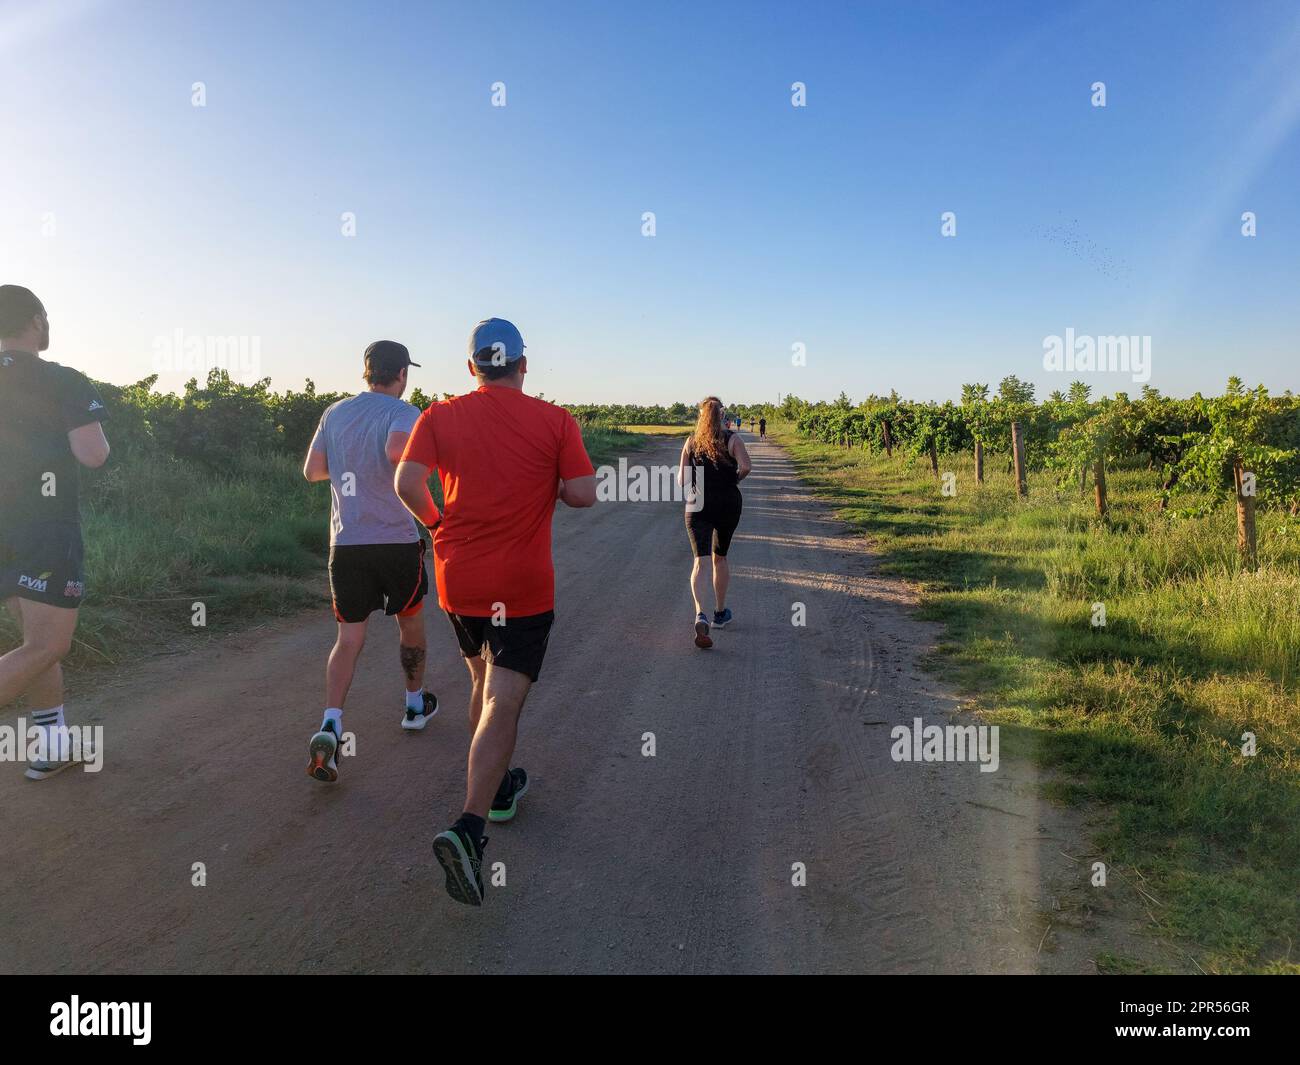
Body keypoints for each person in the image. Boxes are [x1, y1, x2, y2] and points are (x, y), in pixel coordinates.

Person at [395, 318, 596, 906]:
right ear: (524, 365)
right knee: (503, 700)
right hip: (523, 584)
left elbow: (407, 481)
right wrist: (555, 484)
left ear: (472, 366)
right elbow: (583, 493)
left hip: (460, 580)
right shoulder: (555, 420)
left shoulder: (439, 416)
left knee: (482, 685)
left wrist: (436, 523)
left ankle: (502, 786)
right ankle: (470, 828)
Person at [302, 341, 439, 784]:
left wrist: (352, 464)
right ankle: (415, 706)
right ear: (401, 373)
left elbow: (313, 471)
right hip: (397, 540)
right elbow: (400, 454)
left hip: (347, 543)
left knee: (348, 637)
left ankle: (331, 722)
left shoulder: (334, 413)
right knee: (411, 623)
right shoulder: (404, 413)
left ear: (366, 372)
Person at [0, 285, 110, 779]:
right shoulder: (62, 379)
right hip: (44, 527)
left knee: (35, 641)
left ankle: (52, 744)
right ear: (37, 321)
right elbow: (93, 454)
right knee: (48, 646)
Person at [679, 396, 751, 649]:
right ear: (721, 415)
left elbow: (682, 481)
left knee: (700, 560)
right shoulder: (733, 439)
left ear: (700, 417)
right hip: (727, 503)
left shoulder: (691, 442)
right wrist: (731, 480)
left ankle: (700, 612)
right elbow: (746, 467)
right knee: (719, 557)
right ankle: (720, 613)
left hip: (697, 504)